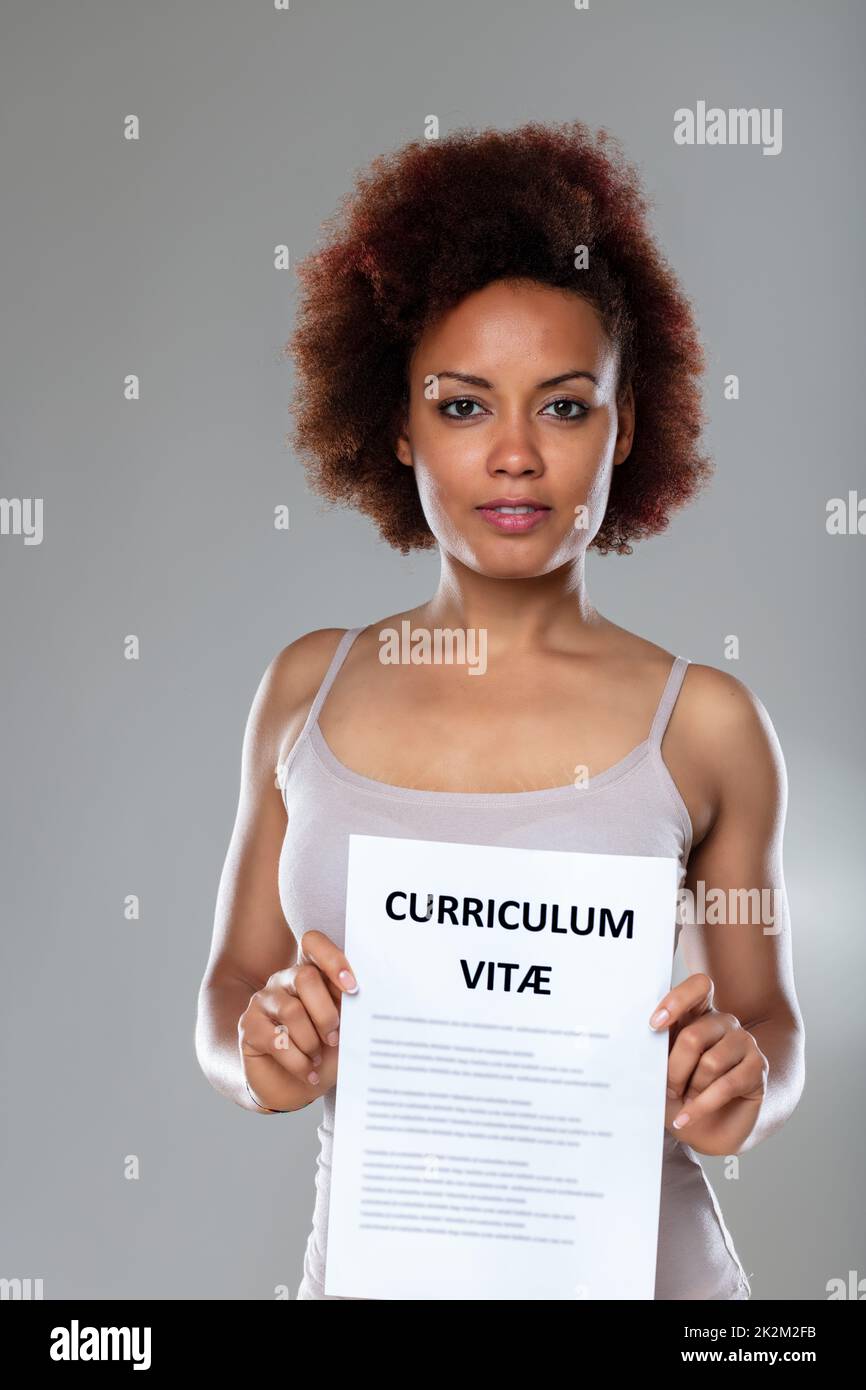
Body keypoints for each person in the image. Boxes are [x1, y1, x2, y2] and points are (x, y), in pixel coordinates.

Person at [195, 120, 805, 1300]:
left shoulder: (707, 723)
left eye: (565, 408)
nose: (515, 455)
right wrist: (255, 1056)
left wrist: (743, 1085)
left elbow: (771, 1024)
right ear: (396, 421)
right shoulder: (301, 692)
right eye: (465, 405)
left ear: (625, 430)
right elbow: (230, 990)